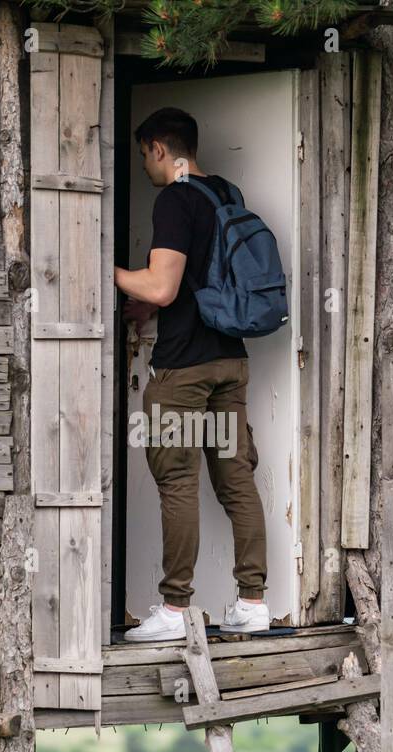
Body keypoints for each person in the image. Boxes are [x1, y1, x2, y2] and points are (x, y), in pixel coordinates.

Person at [113, 107, 269, 642]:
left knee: (177, 482)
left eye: (144, 155)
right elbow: (205, 275)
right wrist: (151, 307)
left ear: (158, 148)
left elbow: (162, 287)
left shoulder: (174, 199)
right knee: (236, 479)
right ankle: (253, 602)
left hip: (183, 371)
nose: (146, 167)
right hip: (230, 360)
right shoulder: (226, 193)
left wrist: (105, 270)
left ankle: (175, 611)